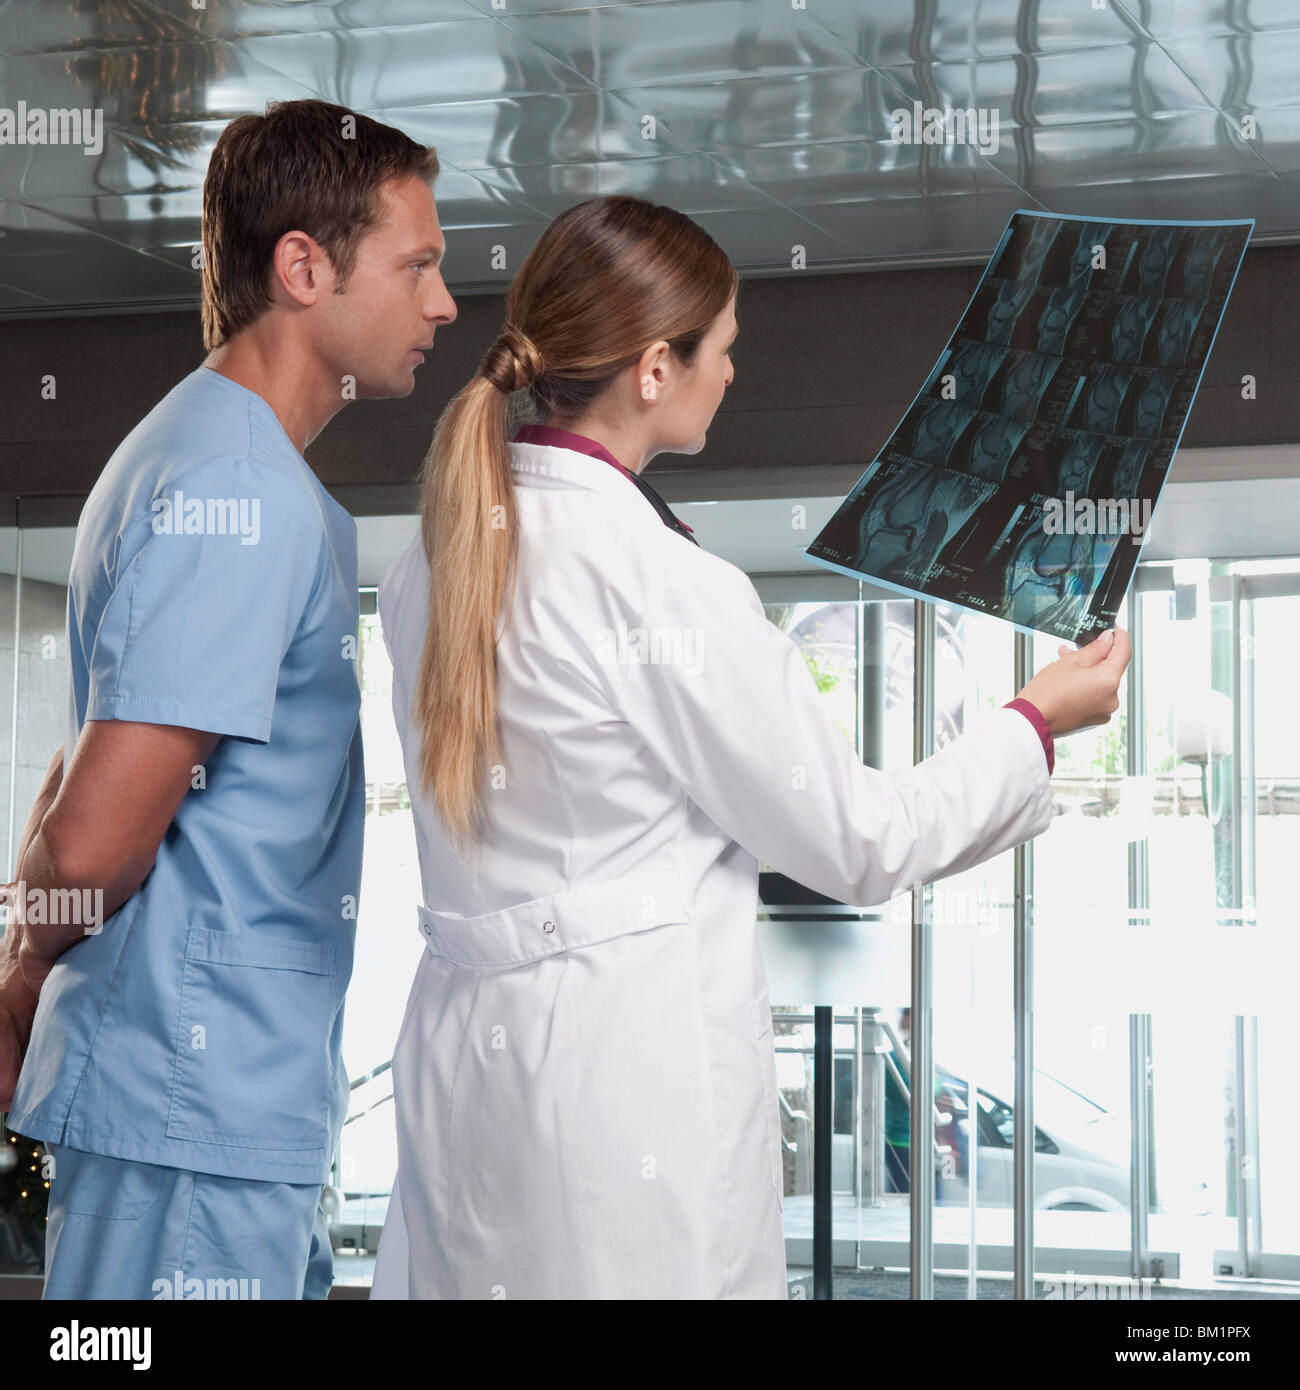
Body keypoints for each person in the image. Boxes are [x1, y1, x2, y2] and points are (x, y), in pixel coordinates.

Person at [370, 194, 1131, 1300]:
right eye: (721, 349)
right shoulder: (661, 585)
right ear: (651, 370)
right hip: (617, 1096)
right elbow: (859, 841)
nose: (732, 372)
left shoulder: (427, 565)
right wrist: (1032, 724)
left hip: (463, 1082)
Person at [0, 98, 455, 1299]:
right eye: (416, 265)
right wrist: (16, 978)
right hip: (184, 1121)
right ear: (302, 266)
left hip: (221, 1120)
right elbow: (95, 836)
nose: (443, 303)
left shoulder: (210, 462)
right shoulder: (235, 488)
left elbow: (105, 773)